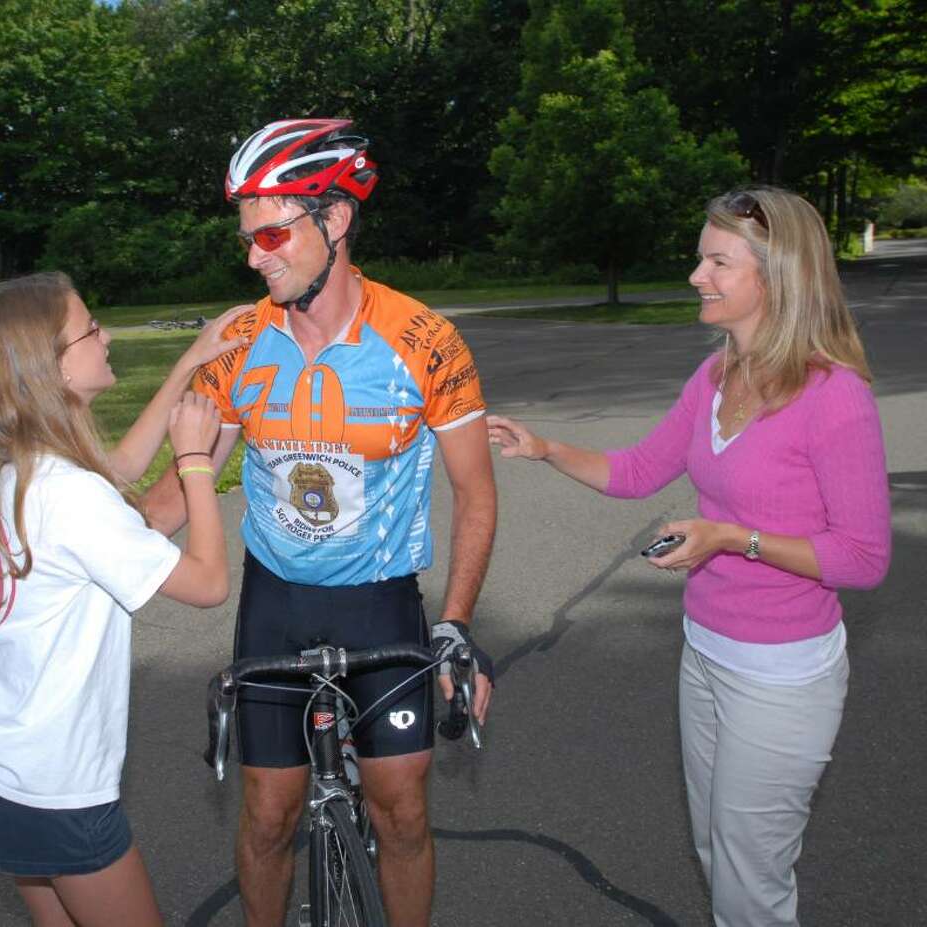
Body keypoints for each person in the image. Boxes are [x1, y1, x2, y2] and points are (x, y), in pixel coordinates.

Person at [488, 187, 891, 927]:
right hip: (705, 652)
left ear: (778, 275)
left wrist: (734, 538)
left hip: (781, 675)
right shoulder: (715, 377)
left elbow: (863, 558)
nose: (696, 275)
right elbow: (639, 470)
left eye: (717, 262)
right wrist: (543, 447)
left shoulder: (834, 396)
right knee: (716, 850)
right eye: (700, 258)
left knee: (750, 876)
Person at [143, 118, 497, 927]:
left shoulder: (425, 342)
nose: (253, 257)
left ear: (334, 219)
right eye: (246, 238)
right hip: (277, 601)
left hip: (380, 599)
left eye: (271, 234)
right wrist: (61, 543)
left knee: (401, 809)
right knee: (269, 815)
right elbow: (171, 497)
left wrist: (455, 622)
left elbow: (475, 491)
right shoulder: (239, 342)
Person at [0, 271, 246, 927]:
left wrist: (192, 362)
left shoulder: (19, 464)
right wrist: (195, 461)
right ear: (52, 367)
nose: (106, 336)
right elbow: (208, 583)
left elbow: (122, 470)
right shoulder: (69, 496)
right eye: (91, 329)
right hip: (53, 787)